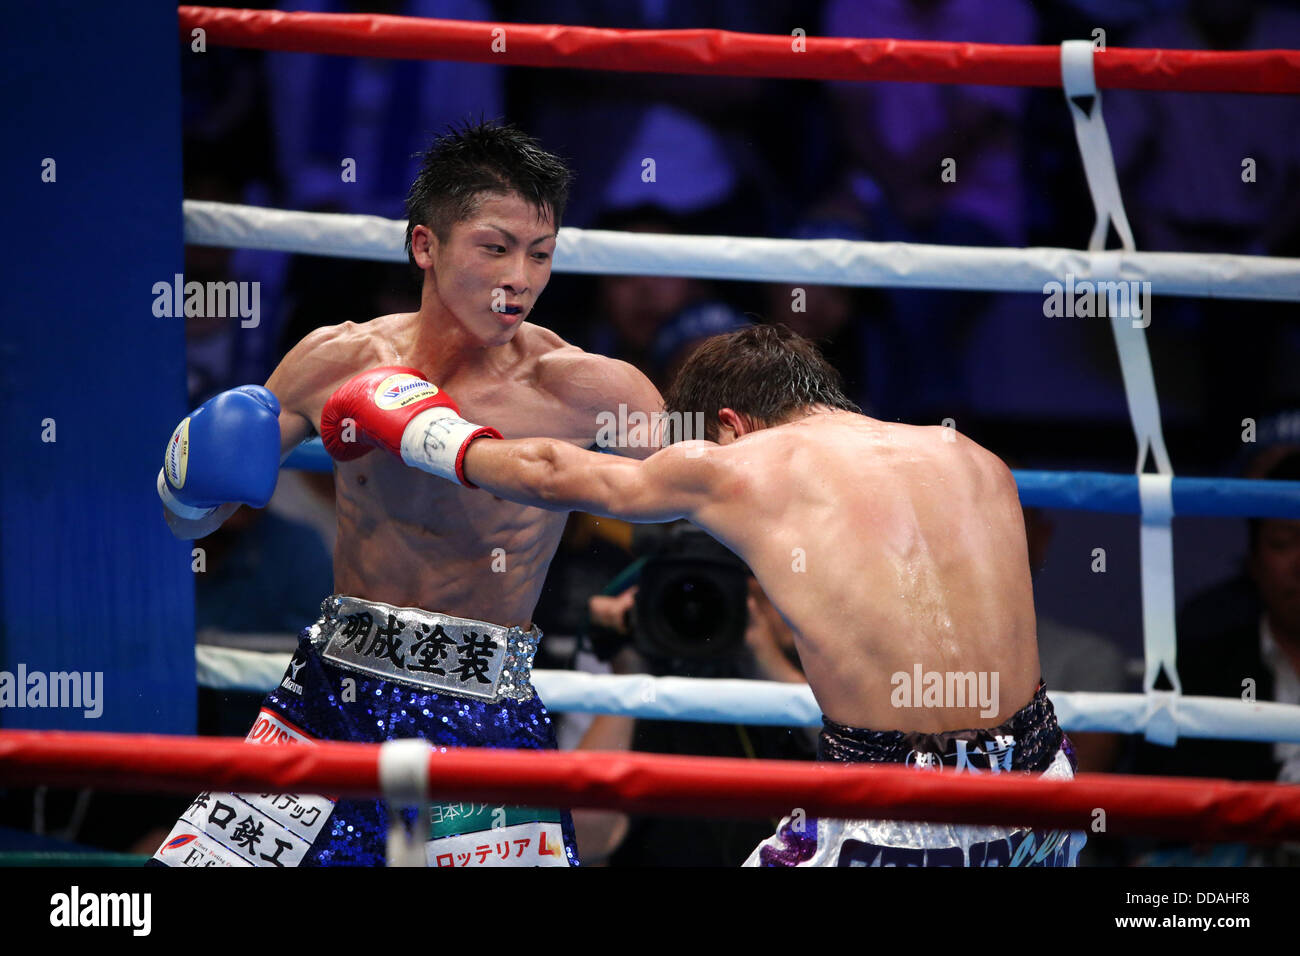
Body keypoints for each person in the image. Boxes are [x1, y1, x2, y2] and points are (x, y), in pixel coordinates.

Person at [331, 323, 1084, 867]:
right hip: (1046, 793)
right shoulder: (974, 457)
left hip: (893, 816)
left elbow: (557, 476)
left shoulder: (743, 463)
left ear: (730, 425)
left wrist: (422, 429)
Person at [150, 121, 663, 868]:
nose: (519, 276)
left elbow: (693, 495)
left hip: (483, 704)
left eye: (541, 254)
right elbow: (196, 519)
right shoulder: (337, 357)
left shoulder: (585, 388)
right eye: (495, 247)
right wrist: (186, 487)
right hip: (332, 692)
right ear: (425, 246)